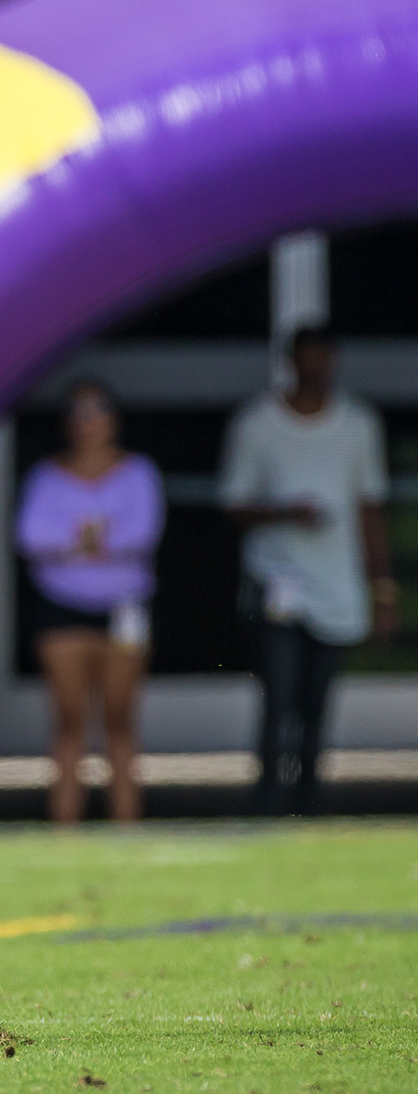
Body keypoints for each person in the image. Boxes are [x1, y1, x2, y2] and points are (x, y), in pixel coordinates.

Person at [219, 326, 395, 815]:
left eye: (322, 358)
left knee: (318, 703)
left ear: (334, 361)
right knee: (279, 699)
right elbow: (234, 504)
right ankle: (270, 802)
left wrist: (381, 588)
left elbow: (369, 508)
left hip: (336, 584)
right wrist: (285, 513)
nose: (314, 367)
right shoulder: (257, 423)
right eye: (304, 358)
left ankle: (311, 802)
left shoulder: (358, 424)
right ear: (290, 362)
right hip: (277, 584)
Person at [15, 381, 164, 824]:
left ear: (114, 420)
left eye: (97, 411)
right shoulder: (46, 475)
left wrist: (77, 540)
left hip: (123, 606)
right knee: (69, 723)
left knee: (119, 723)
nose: (88, 422)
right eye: (78, 412)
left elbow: (140, 533)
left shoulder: (138, 472)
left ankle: (127, 826)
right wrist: (92, 539)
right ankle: (65, 830)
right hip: (61, 605)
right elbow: (31, 536)